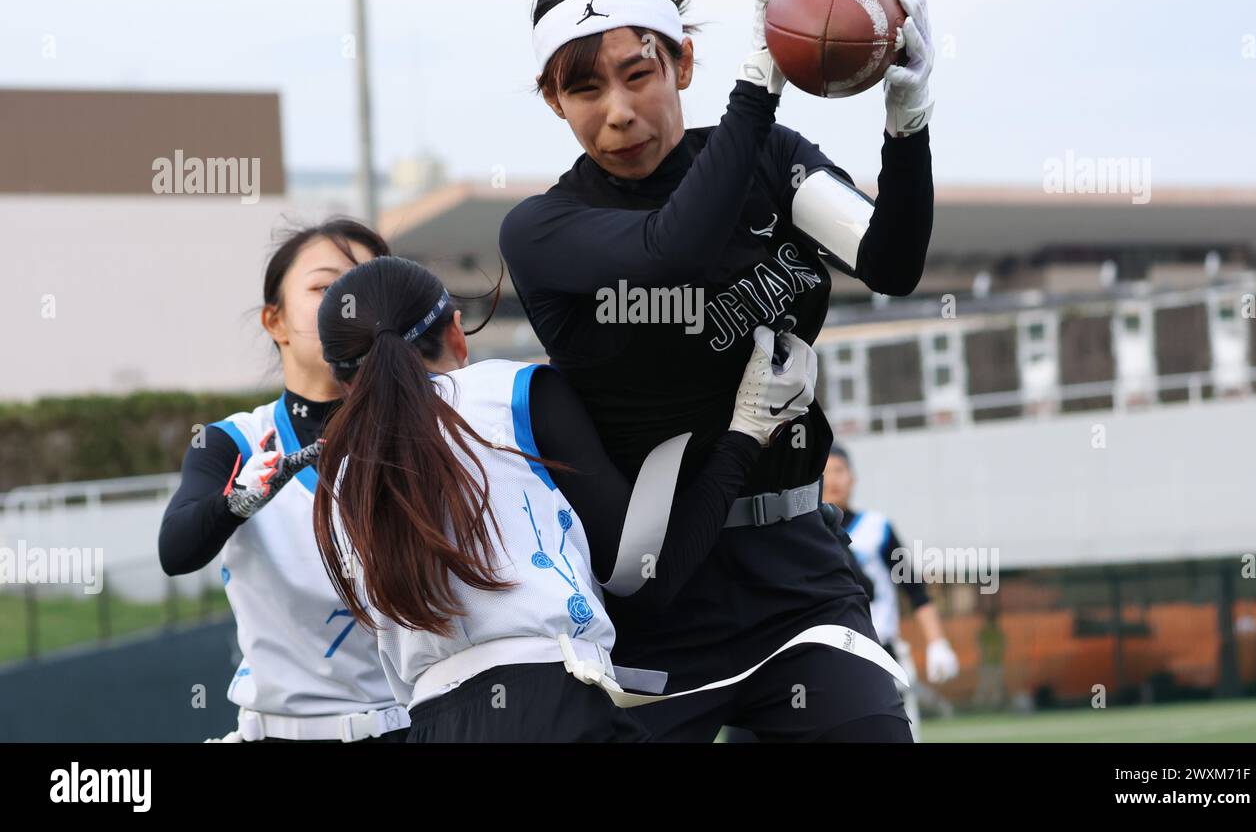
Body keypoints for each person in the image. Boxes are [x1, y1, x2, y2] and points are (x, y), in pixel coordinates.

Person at [499, 0, 934, 741]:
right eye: (585, 87)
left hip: (800, 571)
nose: (619, 111)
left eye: (639, 72)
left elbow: (892, 263)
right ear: (554, 101)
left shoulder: (766, 158)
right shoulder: (542, 230)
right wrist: (757, 85)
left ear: (682, 62)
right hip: (661, 598)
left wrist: (907, 119)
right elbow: (674, 249)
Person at [311, 256, 819, 742]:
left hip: (429, 721)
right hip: (552, 700)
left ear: (341, 382)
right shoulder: (513, 390)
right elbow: (644, 576)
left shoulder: (340, 480)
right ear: (456, 332)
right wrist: (747, 430)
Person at [158, 219, 410, 743]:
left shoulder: (425, 433)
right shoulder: (235, 442)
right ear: (275, 321)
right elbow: (176, 550)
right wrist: (237, 503)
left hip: (410, 726)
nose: (349, 305)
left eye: (366, 287)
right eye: (325, 287)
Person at [824, 444, 960, 740]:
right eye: (825, 472)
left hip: (879, 651)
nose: (833, 479)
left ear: (853, 477)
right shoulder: (804, 529)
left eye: (839, 470)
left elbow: (914, 590)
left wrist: (937, 642)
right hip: (825, 655)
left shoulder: (878, 528)